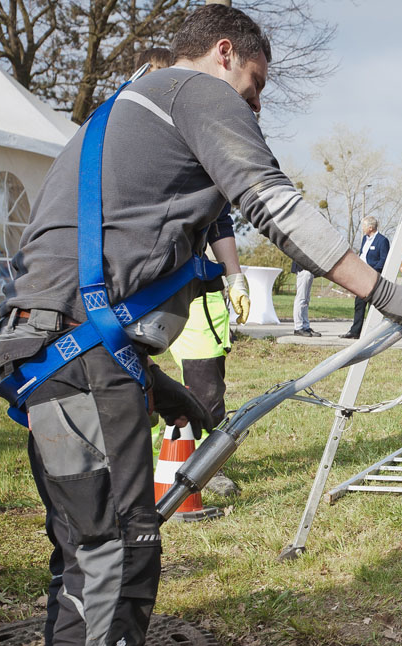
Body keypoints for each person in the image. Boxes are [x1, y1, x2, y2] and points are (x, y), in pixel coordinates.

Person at [0, 7, 402, 646]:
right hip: (80, 361)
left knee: (87, 561)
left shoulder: (125, 111)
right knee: (113, 567)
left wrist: (159, 383)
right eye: (257, 85)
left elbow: (87, 255)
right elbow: (273, 201)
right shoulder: (195, 93)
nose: (257, 105)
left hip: (58, 356)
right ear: (224, 52)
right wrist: (381, 290)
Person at [136, 47, 246, 497]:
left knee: (203, 385)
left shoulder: (197, 141)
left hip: (194, 289)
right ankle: (140, 463)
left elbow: (220, 215)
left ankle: (206, 465)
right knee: (132, 382)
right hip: (139, 288)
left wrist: (234, 274)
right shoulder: (127, 141)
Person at [340, 216, 390, 339]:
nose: (362, 229)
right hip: (361, 276)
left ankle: (373, 333)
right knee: (359, 303)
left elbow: (384, 260)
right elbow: (362, 255)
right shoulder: (364, 239)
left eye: (364, 226)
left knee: (373, 306)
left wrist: (372, 271)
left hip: (373, 277)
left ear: (370, 227)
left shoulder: (382, 241)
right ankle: (355, 331)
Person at [292, 259, 319, 336]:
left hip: (309, 268)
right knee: (301, 298)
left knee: (306, 300)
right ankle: (298, 327)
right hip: (303, 267)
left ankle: (305, 327)